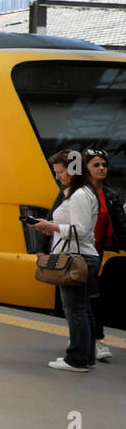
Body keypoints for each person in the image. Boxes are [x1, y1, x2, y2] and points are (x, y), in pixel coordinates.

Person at [31, 150, 100, 371]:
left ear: (72, 170)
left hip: (76, 259)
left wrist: (49, 226)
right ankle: (86, 357)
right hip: (83, 256)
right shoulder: (81, 192)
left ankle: (76, 359)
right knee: (83, 308)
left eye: (60, 172)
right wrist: (54, 229)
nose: (58, 176)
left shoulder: (79, 195)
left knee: (75, 310)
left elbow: (80, 230)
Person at [83, 149, 125, 362]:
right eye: (96, 165)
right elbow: (54, 215)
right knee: (90, 296)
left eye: (104, 165)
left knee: (91, 297)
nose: (101, 168)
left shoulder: (111, 195)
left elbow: (120, 225)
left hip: (100, 253)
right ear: (86, 169)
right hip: (80, 251)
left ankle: (88, 340)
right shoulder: (77, 192)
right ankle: (94, 341)